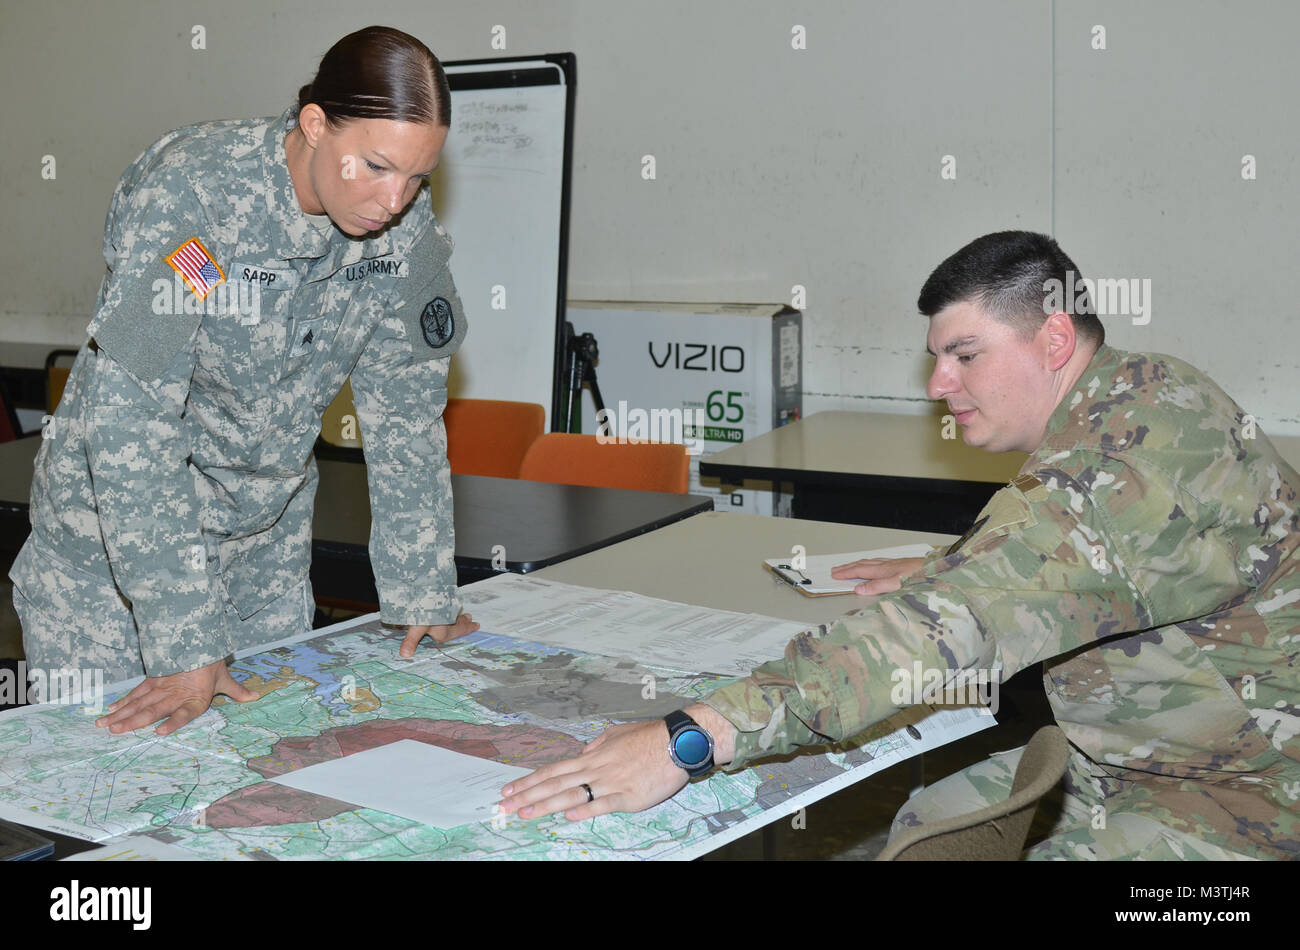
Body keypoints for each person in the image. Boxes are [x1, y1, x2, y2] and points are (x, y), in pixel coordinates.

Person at [500, 231, 1300, 860]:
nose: (937, 387)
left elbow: (929, 637)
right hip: (1150, 746)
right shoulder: (1151, 388)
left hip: (1242, 799)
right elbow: (1110, 554)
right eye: (935, 359)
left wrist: (690, 737)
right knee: (931, 822)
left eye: (966, 354)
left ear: (1054, 340)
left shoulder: (1101, 476)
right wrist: (958, 565)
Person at [10, 26, 478, 737]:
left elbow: (407, 412)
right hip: (113, 574)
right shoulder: (201, 202)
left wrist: (422, 590)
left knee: (267, 786)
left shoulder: (401, 234)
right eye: (377, 167)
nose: (394, 199)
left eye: (418, 177)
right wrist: (184, 638)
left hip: (262, 553)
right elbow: (131, 414)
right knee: (120, 803)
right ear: (315, 125)